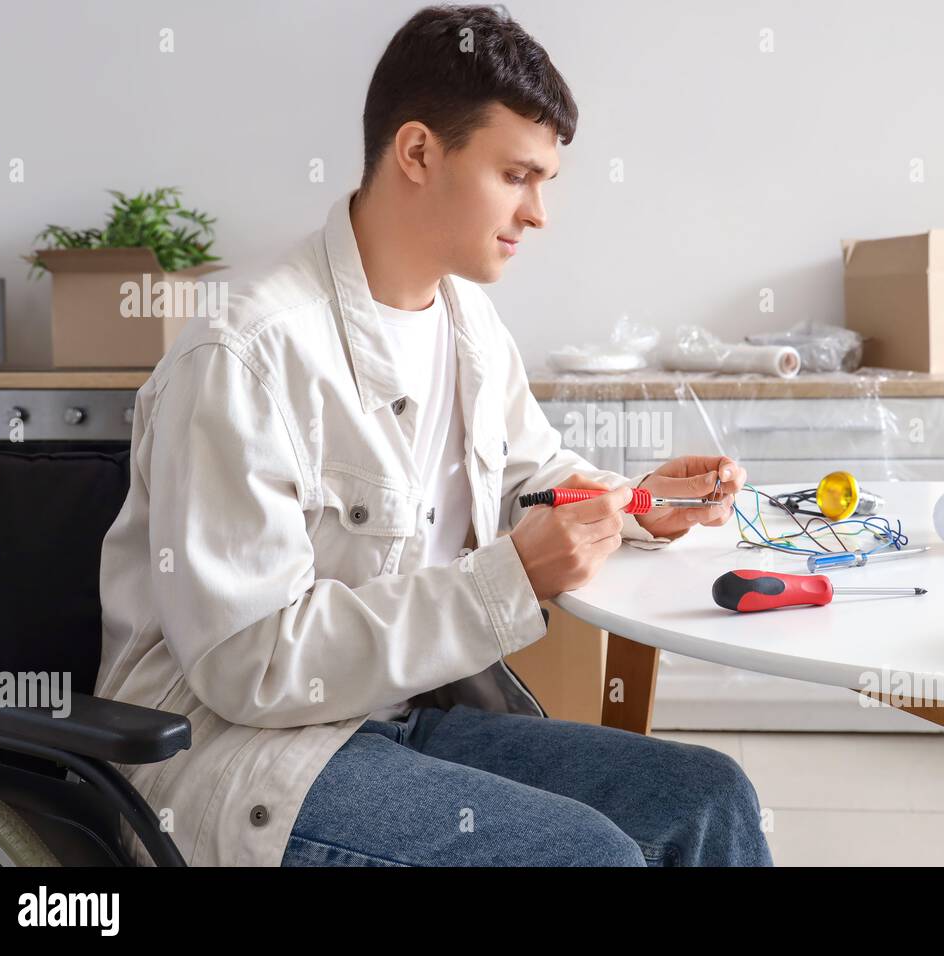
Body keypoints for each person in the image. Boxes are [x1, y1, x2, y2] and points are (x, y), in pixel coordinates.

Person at [95, 4, 771, 867]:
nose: (539, 213)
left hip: (396, 718)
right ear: (418, 152)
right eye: (517, 175)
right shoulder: (246, 355)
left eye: (545, 181)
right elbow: (251, 664)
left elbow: (527, 475)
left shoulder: (467, 322)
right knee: (583, 854)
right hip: (237, 756)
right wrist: (509, 579)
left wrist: (640, 504)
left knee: (706, 798)